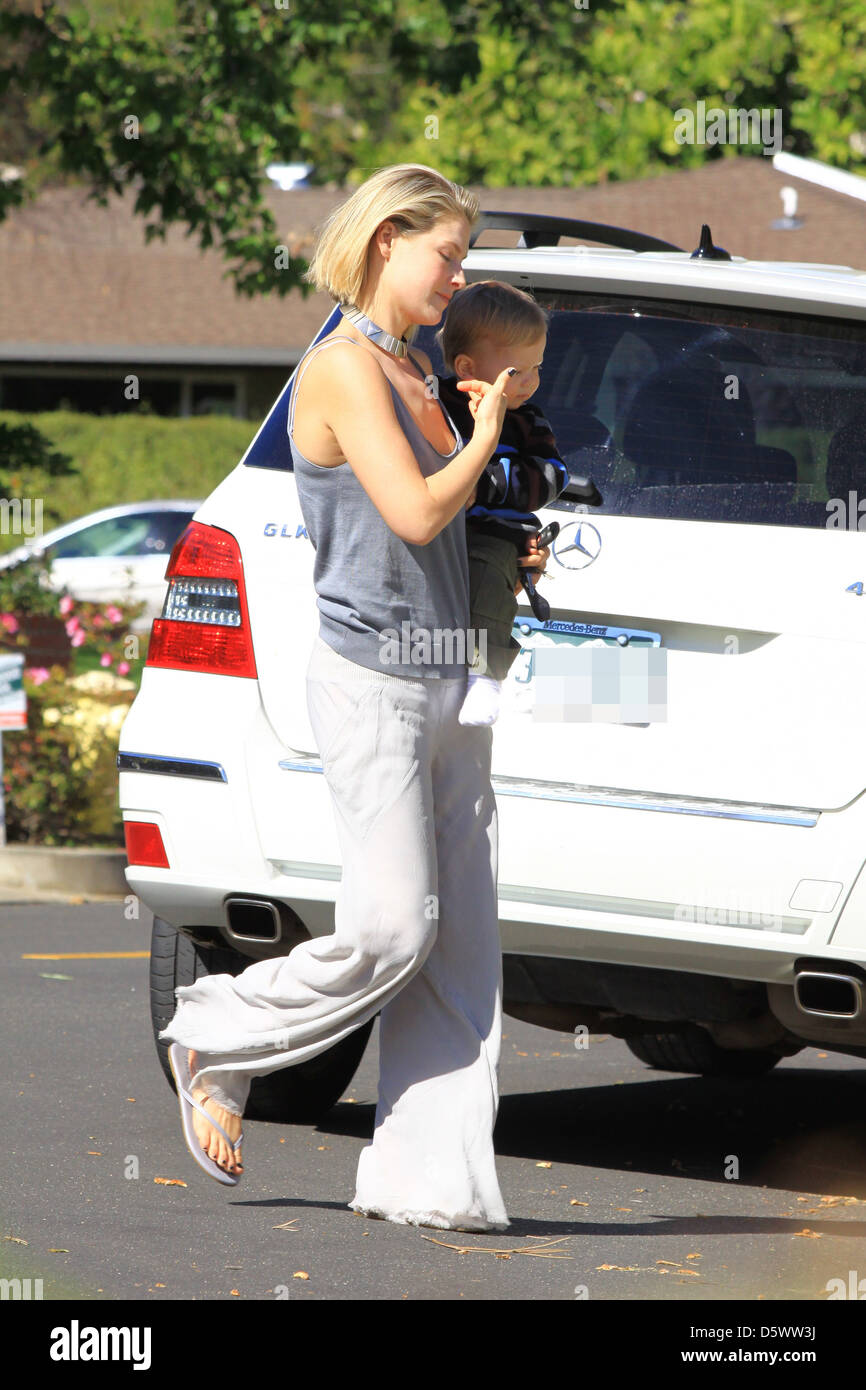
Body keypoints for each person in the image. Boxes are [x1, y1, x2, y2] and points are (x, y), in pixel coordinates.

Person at [158, 163, 550, 1233]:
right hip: (371, 680)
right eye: (447, 254)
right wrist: (482, 436)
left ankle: (429, 1180)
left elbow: (447, 533)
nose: (457, 275)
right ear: (386, 240)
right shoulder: (341, 369)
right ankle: (216, 1030)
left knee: (460, 947)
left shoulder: (417, 362)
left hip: (450, 676)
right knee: (389, 929)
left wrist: (508, 547)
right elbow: (415, 510)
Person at [434, 280, 568, 726]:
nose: (532, 382)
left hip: (498, 532)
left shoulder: (528, 420)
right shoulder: (435, 404)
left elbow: (554, 475)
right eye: (518, 371)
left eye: (538, 368)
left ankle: (484, 676)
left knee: (489, 574)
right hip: (441, 534)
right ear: (467, 366)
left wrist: (487, 484)